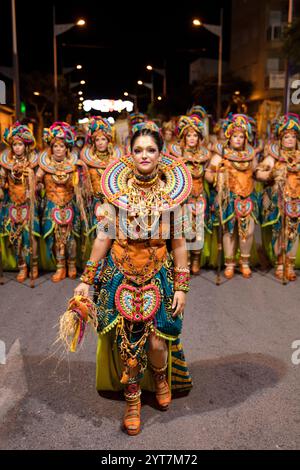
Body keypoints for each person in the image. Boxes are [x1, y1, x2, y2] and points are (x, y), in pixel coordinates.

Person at [73, 122, 193, 435]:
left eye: (150, 149)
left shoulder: (174, 196)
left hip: (158, 274)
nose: (144, 155)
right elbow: (103, 238)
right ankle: (133, 400)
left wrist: (181, 287)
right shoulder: (115, 194)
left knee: (156, 342)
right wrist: (87, 278)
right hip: (120, 272)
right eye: (138, 149)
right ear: (130, 154)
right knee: (128, 343)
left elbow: (179, 244)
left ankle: (161, 376)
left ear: (160, 154)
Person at [205, 114, 259, 279]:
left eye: (241, 136)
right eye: (235, 136)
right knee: (229, 232)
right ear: (229, 136)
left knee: (248, 232)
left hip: (248, 196)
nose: (238, 139)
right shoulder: (221, 154)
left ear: (245, 138)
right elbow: (208, 173)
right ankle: (229, 264)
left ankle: (244, 262)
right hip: (229, 198)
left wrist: (272, 174)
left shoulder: (251, 155)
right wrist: (217, 177)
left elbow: (258, 173)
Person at [256, 113, 300, 281]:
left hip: (296, 200)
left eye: (293, 137)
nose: (290, 140)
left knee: (293, 233)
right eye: (286, 136)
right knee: (278, 232)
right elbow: (259, 172)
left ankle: (290, 265)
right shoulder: (274, 155)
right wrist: (272, 173)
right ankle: (279, 264)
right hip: (278, 201)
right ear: (281, 139)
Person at [36, 122, 81, 282]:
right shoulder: (43, 166)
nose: (59, 149)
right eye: (55, 146)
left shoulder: (74, 166)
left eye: (62, 146)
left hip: (69, 204)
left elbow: (80, 185)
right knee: (56, 238)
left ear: (67, 148)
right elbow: (37, 184)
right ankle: (60, 267)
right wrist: (35, 183)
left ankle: (72, 265)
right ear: (51, 148)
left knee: (70, 238)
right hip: (52, 204)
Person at [169, 115, 211, 275]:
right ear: (183, 137)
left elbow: (210, 178)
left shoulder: (204, 156)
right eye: (189, 135)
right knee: (183, 230)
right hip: (182, 199)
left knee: (198, 230)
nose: (192, 138)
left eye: (195, 135)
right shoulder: (176, 155)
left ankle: (196, 259)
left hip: (199, 197)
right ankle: (183, 261)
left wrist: (218, 173)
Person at [0, 122, 40, 282]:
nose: (17, 147)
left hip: (29, 203)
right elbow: (1, 182)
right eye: (15, 144)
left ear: (26, 146)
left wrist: (33, 183)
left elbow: (40, 183)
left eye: (20, 144)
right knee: (15, 237)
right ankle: (22, 266)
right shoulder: (5, 164)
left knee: (31, 236)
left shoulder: (33, 164)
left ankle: (34, 266)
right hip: (12, 204)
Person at [80, 116, 122, 239]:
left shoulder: (117, 161)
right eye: (97, 139)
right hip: (95, 203)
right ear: (93, 142)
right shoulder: (87, 161)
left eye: (103, 139)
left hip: (114, 202)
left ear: (109, 140)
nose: (100, 142)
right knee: (98, 236)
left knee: (114, 236)